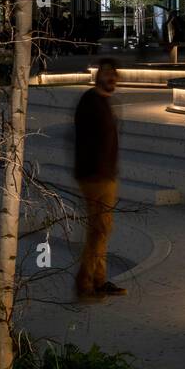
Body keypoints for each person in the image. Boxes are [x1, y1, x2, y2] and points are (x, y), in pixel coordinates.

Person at [72, 59, 127, 300]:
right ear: (98, 76)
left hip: (105, 176)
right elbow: (85, 140)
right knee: (97, 232)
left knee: (103, 231)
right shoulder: (90, 102)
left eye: (114, 75)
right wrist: (94, 169)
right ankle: (85, 285)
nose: (112, 79)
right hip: (94, 177)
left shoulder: (104, 102)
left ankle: (98, 280)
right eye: (107, 75)